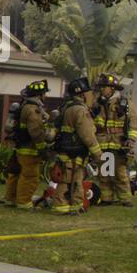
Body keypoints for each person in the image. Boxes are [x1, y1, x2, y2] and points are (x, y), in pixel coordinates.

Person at [50, 76, 102, 215]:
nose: (91, 96)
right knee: (75, 181)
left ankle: (69, 207)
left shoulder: (66, 107)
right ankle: (69, 207)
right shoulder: (80, 110)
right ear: (83, 94)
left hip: (66, 151)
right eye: (89, 93)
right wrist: (98, 154)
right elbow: (87, 135)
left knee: (67, 180)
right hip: (75, 152)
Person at [2, 79, 53, 209]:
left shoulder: (25, 106)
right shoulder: (33, 110)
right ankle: (24, 202)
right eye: (44, 93)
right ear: (39, 95)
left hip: (20, 148)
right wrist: (43, 149)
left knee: (16, 174)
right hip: (30, 150)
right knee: (30, 176)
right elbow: (36, 132)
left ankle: (10, 199)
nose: (45, 96)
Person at [91, 73, 137, 207]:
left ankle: (125, 199)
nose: (101, 90)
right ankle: (107, 198)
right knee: (104, 173)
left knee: (120, 173)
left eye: (104, 87)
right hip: (102, 143)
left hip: (119, 143)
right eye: (100, 87)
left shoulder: (125, 104)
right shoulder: (97, 105)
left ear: (112, 88)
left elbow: (134, 124)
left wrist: (130, 140)